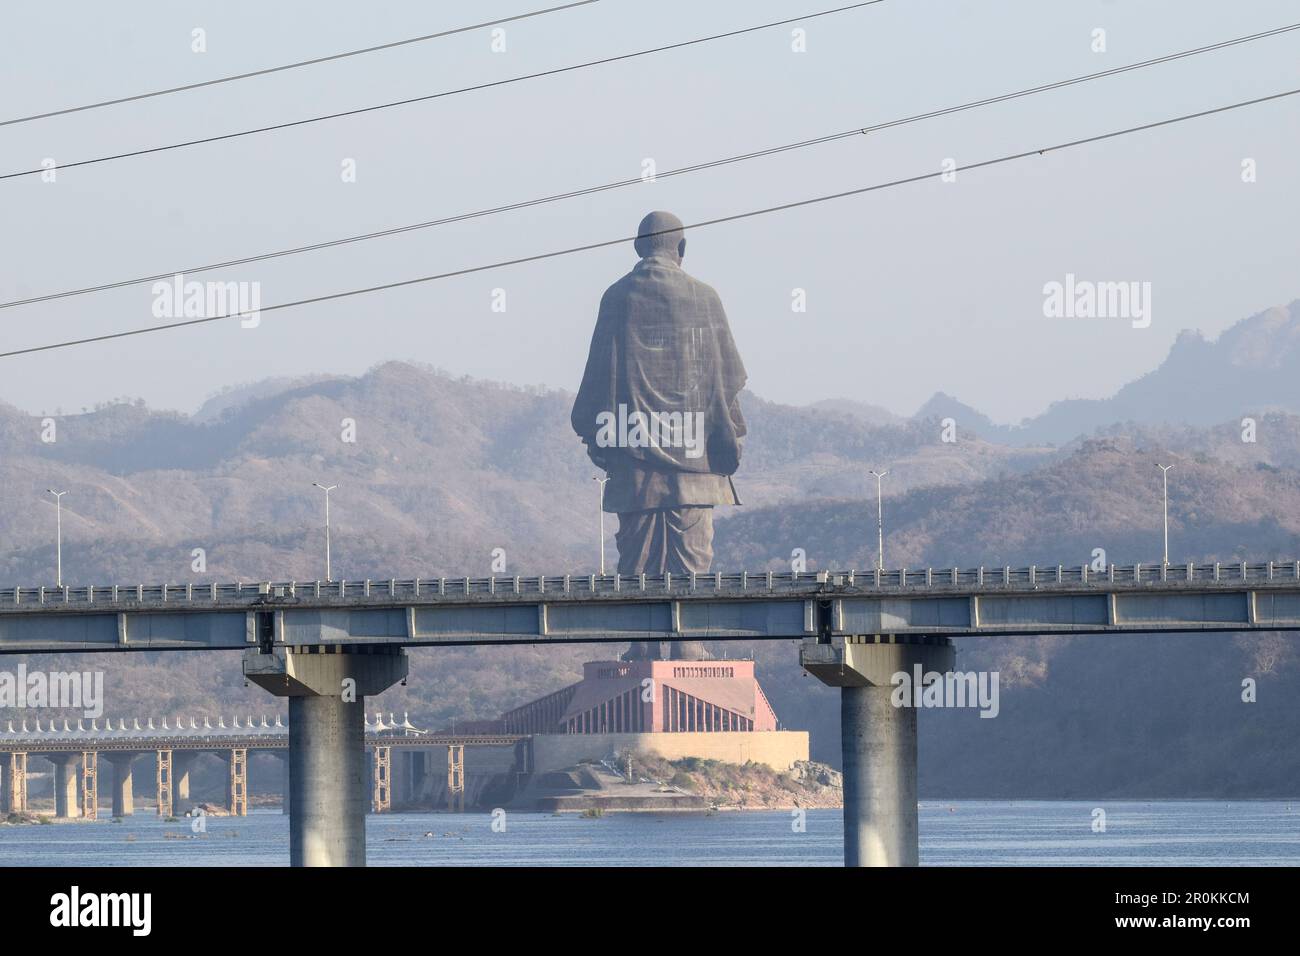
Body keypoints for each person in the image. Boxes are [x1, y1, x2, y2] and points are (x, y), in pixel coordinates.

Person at [571, 211, 747, 661]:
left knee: (639, 558)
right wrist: (729, 437)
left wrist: (597, 436)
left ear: (638, 247)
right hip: (695, 461)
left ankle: (644, 641)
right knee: (692, 553)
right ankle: (687, 641)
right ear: (682, 249)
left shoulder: (617, 297)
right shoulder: (705, 298)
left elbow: (596, 382)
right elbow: (729, 379)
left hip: (633, 457)